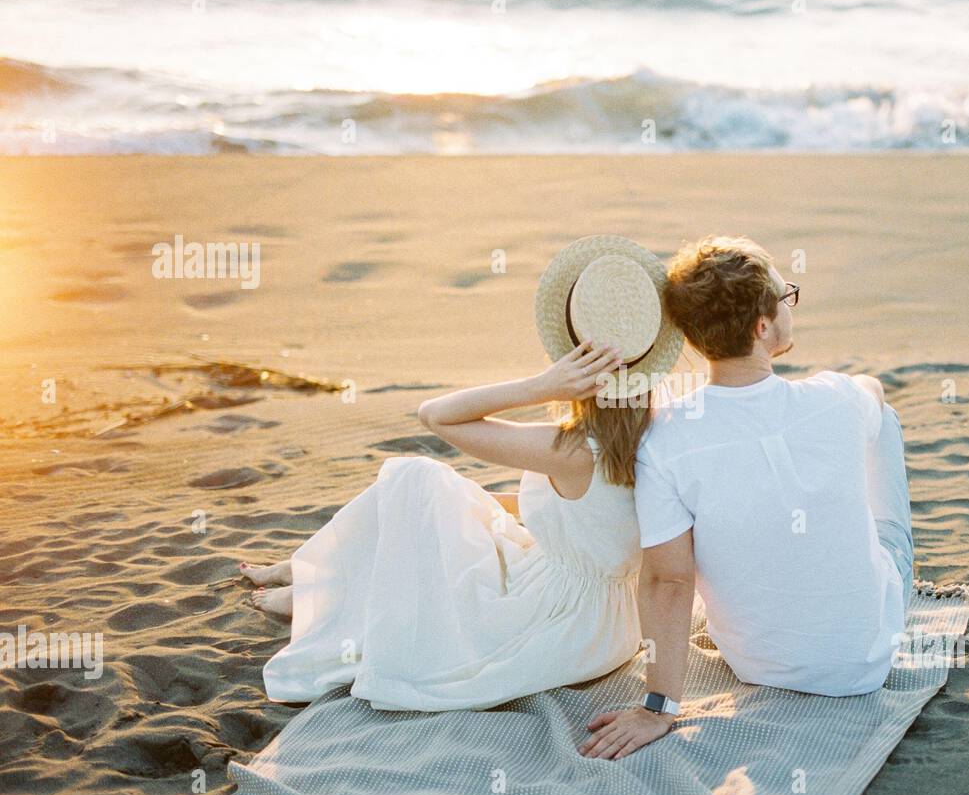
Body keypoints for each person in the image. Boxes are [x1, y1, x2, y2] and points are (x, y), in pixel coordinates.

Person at [239, 235, 684, 714]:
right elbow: (595, 518)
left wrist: (539, 387)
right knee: (461, 504)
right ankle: (312, 573)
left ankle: (317, 587)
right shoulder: (665, 429)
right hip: (610, 623)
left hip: (556, 619)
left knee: (416, 480)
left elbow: (436, 415)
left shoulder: (571, 448)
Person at [578, 235, 914, 760]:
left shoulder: (663, 438)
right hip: (866, 659)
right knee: (882, 419)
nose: (789, 307)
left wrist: (657, 707)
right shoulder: (837, 397)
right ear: (762, 327)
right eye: (786, 298)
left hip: (756, 660)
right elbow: (870, 389)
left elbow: (669, 581)